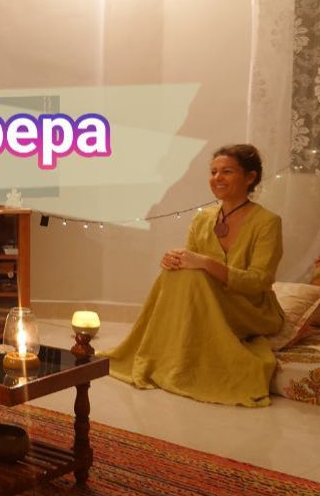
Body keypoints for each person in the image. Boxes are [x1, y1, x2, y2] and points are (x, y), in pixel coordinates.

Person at [101, 144, 284, 407]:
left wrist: (206, 263)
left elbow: (260, 281)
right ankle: (160, 358)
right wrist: (174, 260)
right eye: (213, 172)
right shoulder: (202, 219)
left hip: (250, 308)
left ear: (250, 177)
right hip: (208, 301)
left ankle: (184, 364)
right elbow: (191, 267)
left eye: (227, 172)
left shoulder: (267, 222)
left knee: (193, 275)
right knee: (176, 274)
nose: (217, 178)